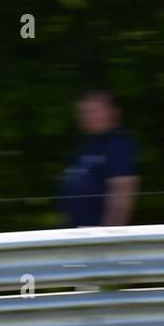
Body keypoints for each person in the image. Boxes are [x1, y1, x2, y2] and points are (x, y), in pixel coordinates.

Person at [56, 90, 139, 227]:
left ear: (113, 113)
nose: (87, 116)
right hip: (73, 233)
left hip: (97, 237)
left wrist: (108, 236)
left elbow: (122, 193)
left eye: (94, 111)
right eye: (84, 111)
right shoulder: (84, 145)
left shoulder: (118, 145)